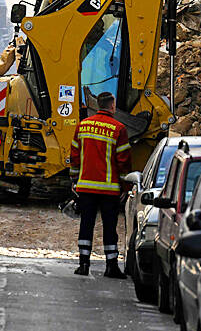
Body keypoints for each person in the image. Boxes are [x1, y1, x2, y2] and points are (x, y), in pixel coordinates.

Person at [69, 91, 130, 278]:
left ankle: (83, 264)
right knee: (110, 227)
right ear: (112, 106)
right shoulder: (118, 128)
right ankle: (111, 266)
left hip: (86, 187)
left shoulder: (83, 126)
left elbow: (74, 156)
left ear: (97, 105)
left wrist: (74, 181)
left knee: (86, 224)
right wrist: (126, 185)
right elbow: (124, 160)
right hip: (109, 189)